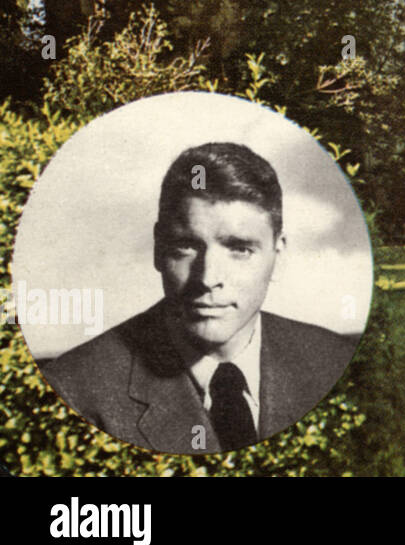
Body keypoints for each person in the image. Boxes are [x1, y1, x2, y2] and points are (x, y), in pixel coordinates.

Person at [39, 142, 356, 454]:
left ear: (279, 254)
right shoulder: (75, 391)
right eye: (186, 246)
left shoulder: (337, 363)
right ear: (158, 248)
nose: (207, 279)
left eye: (239, 249)